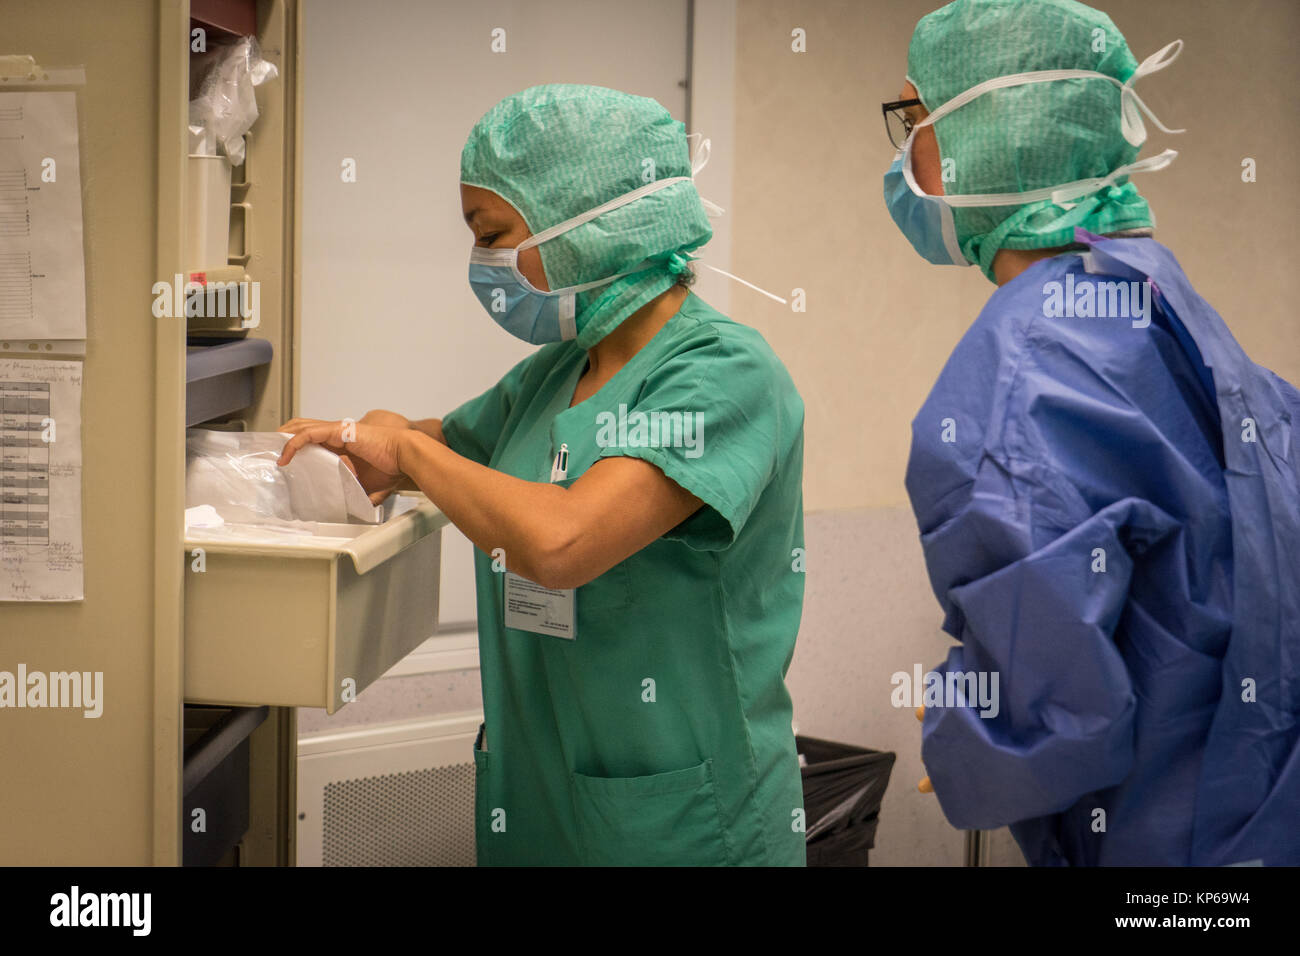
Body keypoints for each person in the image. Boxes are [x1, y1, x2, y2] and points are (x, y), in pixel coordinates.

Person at [279, 85, 807, 866]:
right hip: (541, 799)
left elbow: (561, 542)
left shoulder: (723, 373)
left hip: (680, 818)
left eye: (492, 234)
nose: (480, 265)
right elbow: (458, 446)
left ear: (591, 225)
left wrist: (411, 454)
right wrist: (376, 441)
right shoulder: (557, 372)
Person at [884, 0, 1300, 865]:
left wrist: (966, 715)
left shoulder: (1019, 373)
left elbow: (1057, 719)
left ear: (981, 134)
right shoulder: (1160, 303)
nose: (902, 154)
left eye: (914, 120)